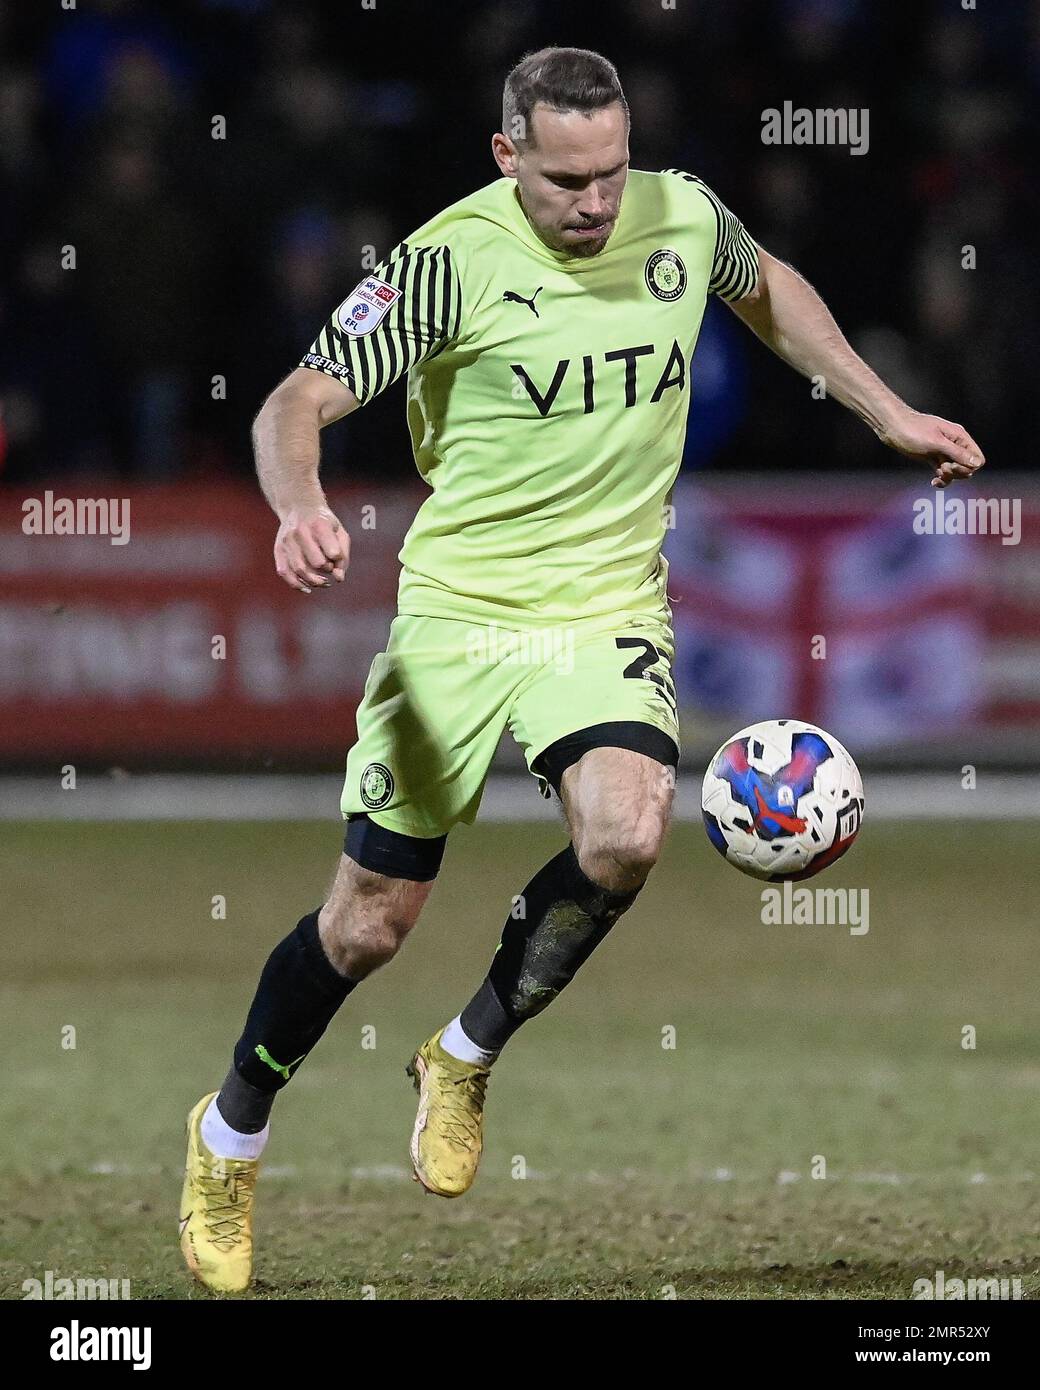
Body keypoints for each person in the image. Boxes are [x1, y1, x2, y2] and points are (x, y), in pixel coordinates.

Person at [179, 46, 984, 1293]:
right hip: (459, 613)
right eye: (564, 180)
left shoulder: (679, 214)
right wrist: (299, 506)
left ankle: (463, 1054)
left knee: (623, 837)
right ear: (507, 156)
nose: (596, 202)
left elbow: (765, 286)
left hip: (604, 601)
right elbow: (290, 403)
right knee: (369, 923)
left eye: (610, 171)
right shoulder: (443, 264)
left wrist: (882, 409)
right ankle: (230, 1131)